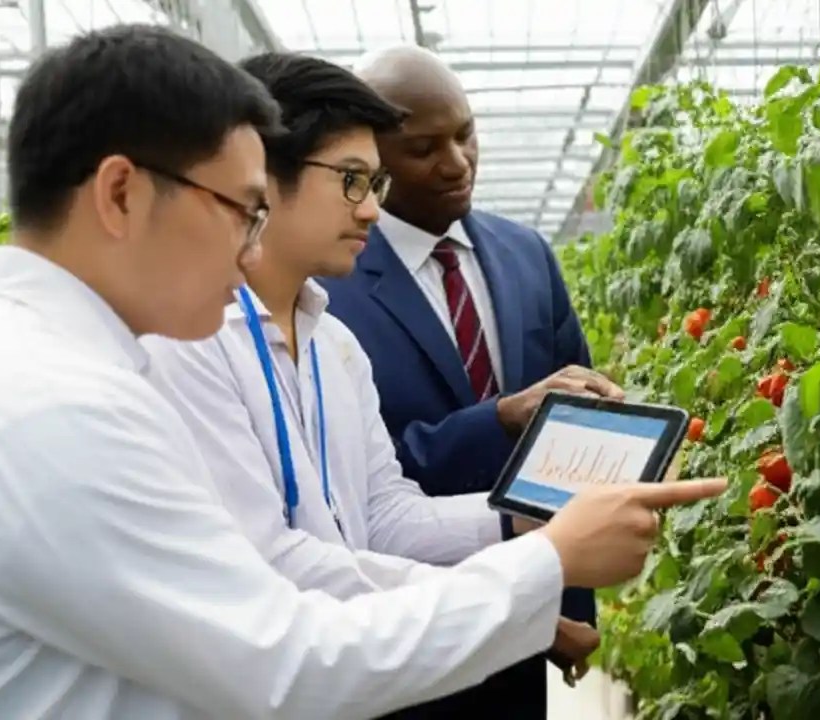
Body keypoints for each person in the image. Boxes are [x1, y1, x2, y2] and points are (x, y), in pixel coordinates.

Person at [0, 25, 727, 720]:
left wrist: (535, 547)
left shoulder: (13, 359)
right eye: (238, 207)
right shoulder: (51, 408)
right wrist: (544, 563)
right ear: (121, 193)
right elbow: (283, 659)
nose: (251, 239)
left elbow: (357, 535)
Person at [140, 51, 596, 666]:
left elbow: (384, 516)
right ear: (262, 174)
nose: (372, 209)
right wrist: (511, 599)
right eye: (352, 180)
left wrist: (535, 522)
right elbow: (275, 562)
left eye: (374, 184)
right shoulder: (189, 341)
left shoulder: (334, 346)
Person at [318, 45, 613, 717]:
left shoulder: (525, 255)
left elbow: (573, 425)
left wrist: (560, 599)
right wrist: (500, 417)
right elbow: (356, 483)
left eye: (465, 134)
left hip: (527, 615)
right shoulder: (331, 284)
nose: (456, 163)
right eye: (424, 148)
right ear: (373, 160)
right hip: (401, 629)